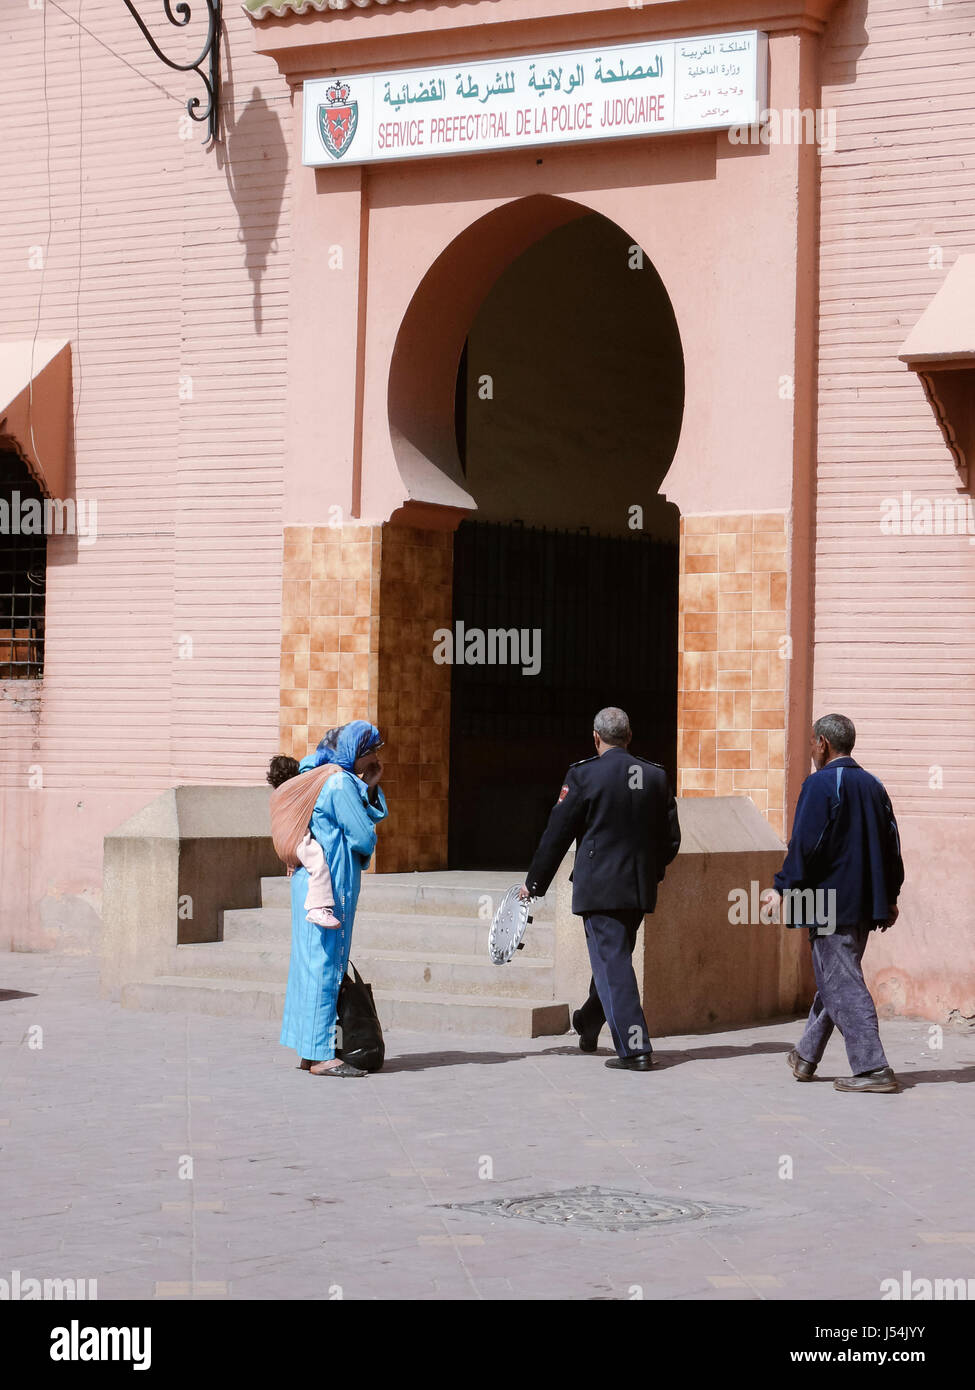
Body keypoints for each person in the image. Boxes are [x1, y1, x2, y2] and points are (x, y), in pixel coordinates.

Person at [519, 707, 681, 1071]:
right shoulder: (655, 776)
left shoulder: (583, 776)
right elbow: (671, 840)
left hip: (601, 889)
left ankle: (636, 1048)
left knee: (613, 963)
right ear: (629, 736)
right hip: (637, 890)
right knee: (614, 960)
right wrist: (649, 872)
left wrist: (534, 884)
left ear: (596, 738)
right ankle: (590, 1021)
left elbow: (556, 834)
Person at [774, 713, 904, 1094]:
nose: (812, 749)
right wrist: (890, 898)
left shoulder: (819, 785)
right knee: (836, 979)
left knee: (843, 983)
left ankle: (872, 1067)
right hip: (863, 905)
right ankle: (805, 1056)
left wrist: (781, 886)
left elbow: (805, 846)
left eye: (812, 742)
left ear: (823, 744)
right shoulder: (874, 786)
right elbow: (892, 848)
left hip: (826, 903)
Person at [278, 721, 387, 1078]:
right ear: (356, 752)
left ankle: (311, 1051)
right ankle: (322, 1056)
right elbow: (363, 837)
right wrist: (367, 791)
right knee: (327, 965)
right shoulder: (339, 783)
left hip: (308, 886)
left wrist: (368, 787)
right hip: (330, 887)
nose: (375, 758)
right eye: (371, 751)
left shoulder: (317, 774)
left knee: (311, 965)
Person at [266, 755, 341, 928]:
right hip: (296, 842)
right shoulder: (294, 789)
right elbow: (314, 778)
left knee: (309, 858)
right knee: (318, 864)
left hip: (283, 846)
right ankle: (317, 908)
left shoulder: (275, 796)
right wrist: (332, 768)